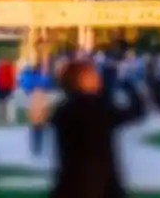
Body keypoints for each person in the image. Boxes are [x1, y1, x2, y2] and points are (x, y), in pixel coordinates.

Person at [49, 58, 145, 198]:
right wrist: (127, 84)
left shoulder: (63, 110)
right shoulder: (97, 107)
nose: (97, 77)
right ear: (81, 80)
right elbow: (136, 111)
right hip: (101, 184)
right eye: (92, 74)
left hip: (70, 183)